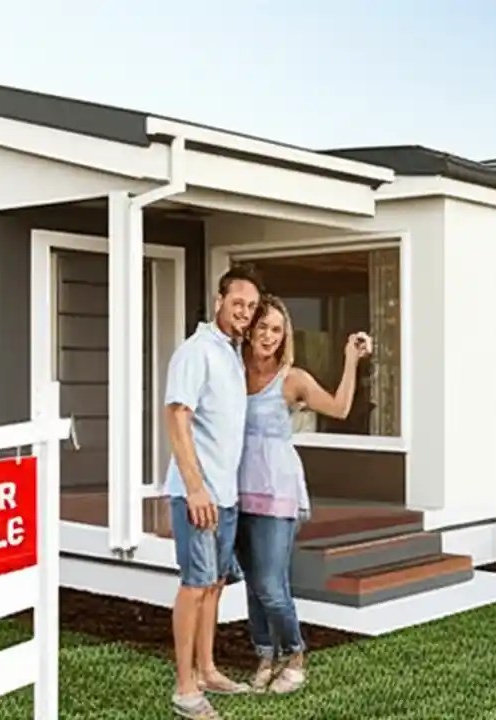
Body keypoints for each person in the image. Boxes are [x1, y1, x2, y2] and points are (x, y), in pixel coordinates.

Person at [234, 294, 372, 695]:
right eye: (262, 327)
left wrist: (350, 359)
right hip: (237, 491)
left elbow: (340, 408)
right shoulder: (233, 371)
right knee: (253, 585)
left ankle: (294, 655)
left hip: (278, 492)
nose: (269, 336)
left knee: (272, 585)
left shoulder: (292, 379)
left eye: (276, 329)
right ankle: (264, 656)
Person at [162, 264, 264, 719]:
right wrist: (195, 487)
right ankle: (185, 688)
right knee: (195, 585)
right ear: (219, 300)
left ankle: (207, 669)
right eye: (237, 303)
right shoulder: (197, 351)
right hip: (197, 494)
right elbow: (177, 417)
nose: (244, 312)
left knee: (216, 585)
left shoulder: (229, 352)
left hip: (226, 495)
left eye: (251, 307)